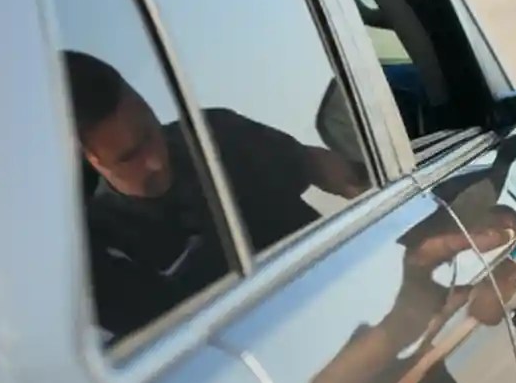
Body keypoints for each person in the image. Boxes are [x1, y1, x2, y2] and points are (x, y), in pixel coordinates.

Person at [64, 49, 371, 342]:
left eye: (148, 132)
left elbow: (323, 168)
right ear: (88, 160)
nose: (155, 159)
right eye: (129, 157)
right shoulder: (107, 252)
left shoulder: (217, 135)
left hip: (351, 301)